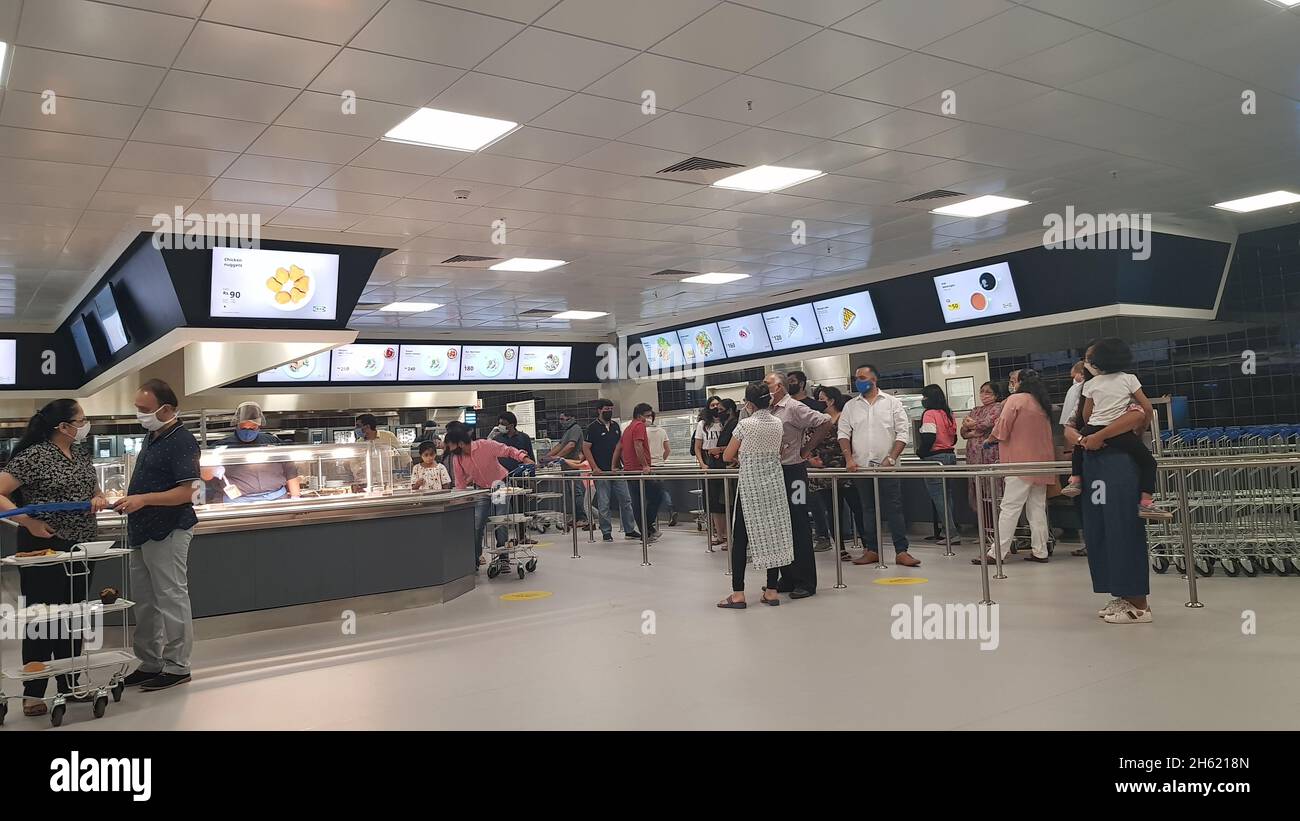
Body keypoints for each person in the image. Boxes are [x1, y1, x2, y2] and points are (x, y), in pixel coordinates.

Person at [0, 399, 109, 716]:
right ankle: (33, 692)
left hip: (82, 546)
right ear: (63, 426)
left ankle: (69, 684)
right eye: (81, 419)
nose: (85, 424)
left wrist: (98, 498)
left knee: (73, 616)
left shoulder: (80, 453)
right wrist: (28, 521)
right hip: (43, 546)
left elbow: (93, 489)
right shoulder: (33, 456)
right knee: (41, 619)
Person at [113, 379, 200, 691]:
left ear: (168, 409)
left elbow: (187, 492)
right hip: (142, 530)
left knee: (171, 597)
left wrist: (144, 499)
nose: (140, 415)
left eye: (145, 410)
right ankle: (150, 661)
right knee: (146, 600)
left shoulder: (182, 441)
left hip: (168, 529)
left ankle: (178, 666)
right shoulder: (152, 436)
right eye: (138, 409)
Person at [1060, 339, 1169, 520]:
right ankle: (1146, 502)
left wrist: (1091, 431)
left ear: (1096, 361)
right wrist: (1140, 429)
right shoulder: (1129, 379)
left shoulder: (1090, 384)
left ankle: (1075, 480)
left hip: (1092, 429)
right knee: (1149, 462)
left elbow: (1087, 414)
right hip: (1120, 435)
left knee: (1079, 448)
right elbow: (1146, 408)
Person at [1065, 403, 1153, 623]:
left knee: (1122, 529)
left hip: (1118, 463)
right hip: (1093, 468)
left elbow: (1139, 416)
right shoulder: (1088, 392)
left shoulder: (1123, 387)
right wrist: (1082, 440)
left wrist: (1099, 435)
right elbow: (1070, 427)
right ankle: (1122, 595)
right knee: (1100, 532)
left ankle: (1139, 604)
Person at [717, 382, 792, 609]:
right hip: (774, 486)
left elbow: (728, 455)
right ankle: (771, 591)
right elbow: (779, 451)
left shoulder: (744, 425)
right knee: (774, 536)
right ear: (768, 400)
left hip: (750, 488)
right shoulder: (778, 423)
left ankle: (738, 594)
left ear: (748, 403)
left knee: (740, 539)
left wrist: (744, 458)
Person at [839, 365, 922, 568]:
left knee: (894, 508)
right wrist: (849, 459)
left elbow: (903, 433)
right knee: (868, 509)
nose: (858, 380)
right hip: (862, 468)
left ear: (874, 379)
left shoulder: (892, 403)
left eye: (862, 377)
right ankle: (872, 550)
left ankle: (901, 551)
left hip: (888, 467)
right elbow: (843, 434)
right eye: (856, 377)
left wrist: (891, 458)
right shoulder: (851, 406)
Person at [976, 369, 1056, 564]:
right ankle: (1040, 550)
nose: (1011, 384)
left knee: (1010, 507)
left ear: (1021, 382)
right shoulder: (1041, 402)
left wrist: (990, 439)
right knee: (1037, 508)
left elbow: (1002, 426)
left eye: (1013, 380)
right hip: (1042, 462)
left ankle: (996, 553)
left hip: (1020, 461)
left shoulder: (1016, 400)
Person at [766, 372, 834, 598]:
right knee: (779, 526)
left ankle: (806, 581)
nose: (764, 387)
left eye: (768, 383)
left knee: (799, 524)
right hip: (774, 473)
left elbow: (825, 421)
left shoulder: (793, 407)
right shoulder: (767, 410)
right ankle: (787, 577)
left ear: (780, 387)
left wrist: (806, 450)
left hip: (795, 472)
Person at [444, 428, 533, 566]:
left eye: (450, 445)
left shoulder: (486, 445)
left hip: (499, 484)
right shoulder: (458, 458)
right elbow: (460, 482)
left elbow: (508, 450)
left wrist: (524, 458)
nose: (449, 449)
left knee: (501, 519)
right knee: (477, 522)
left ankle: (503, 557)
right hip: (481, 489)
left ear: (460, 443)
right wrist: (460, 500)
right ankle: (475, 558)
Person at [200, 402, 300, 504]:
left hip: (276, 499)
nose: (248, 431)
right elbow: (205, 477)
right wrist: (211, 468)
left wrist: (295, 498)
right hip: (237, 502)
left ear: (259, 426)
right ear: (237, 424)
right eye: (244, 428)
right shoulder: (221, 447)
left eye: (252, 428)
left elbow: (290, 472)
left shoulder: (273, 443)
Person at [810, 386, 866, 563]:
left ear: (831, 400)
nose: (819, 402)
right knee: (833, 510)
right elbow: (807, 442)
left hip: (846, 469)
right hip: (825, 472)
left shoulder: (844, 417)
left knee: (858, 507)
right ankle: (840, 547)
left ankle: (868, 544)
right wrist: (811, 460)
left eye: (822, 398)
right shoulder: (816, 421)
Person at [960, 381, 1007, 553]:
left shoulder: (998, 408)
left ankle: (999, 534)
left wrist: (974, 427)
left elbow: (989, 425)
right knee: (978, 494)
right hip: (974, 458)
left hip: (990, 456)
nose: (984, 395)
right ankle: (986, 531)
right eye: (982, 392)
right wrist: (972, 428)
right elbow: (963, 431)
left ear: (996, 394)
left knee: (994, 494)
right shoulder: (975, 410)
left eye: (988, 392)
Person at [582, 399, 639, 542]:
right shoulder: (592, 428)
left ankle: (629, 529)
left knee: (626, 500)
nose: (609, 411)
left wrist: (623, 464)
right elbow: (586, 448)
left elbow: (619, 447)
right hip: (601, 471)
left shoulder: (615, 426)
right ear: (599, 410)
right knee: (604, 502)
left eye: (611, 409)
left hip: (617, 470)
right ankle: (606, 531)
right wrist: (594, 467)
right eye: (606, 409)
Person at [917, 384, 960, 545]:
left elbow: (929, 437)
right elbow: (954, 438)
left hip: (935, 459)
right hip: (950, 456)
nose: (923, 400)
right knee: (947, 495)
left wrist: (920, 453)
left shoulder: (929, 414)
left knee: (939, 497)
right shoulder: (948, 414)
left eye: (924, 397)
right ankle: (949, 529)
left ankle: (951, 533)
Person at [616, 403, 661, 541]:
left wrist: (614, 465)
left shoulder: (628, 428)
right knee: (657, 495)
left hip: (630, 469)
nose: (649, 418)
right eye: (647, 415)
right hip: (638, 469)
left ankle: (646, 531)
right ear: (640, 415)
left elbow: (619, 447)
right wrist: (645, 465)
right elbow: (638, 446)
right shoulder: (639, 426)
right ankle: (647, 528)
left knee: (638, 501)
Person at [543, 411, 587, 527]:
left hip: (573, 466)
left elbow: (570, 446)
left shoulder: (575, 429)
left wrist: (557, 457)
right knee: (572, 493)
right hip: (566, 467)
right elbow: (560, 445)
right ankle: (577, 517)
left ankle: (582, 518)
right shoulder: (568, 431)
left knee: (577, 493)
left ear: (571, 418)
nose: (560, 422)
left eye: (563, 419)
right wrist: (547, 457)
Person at [694, 397, 726, 547]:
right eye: (712, 405)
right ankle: (718, 533)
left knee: (724, 499)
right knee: (712, 501)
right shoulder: (702, 424)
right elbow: (697, 447)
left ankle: (726, 533)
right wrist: (702, 464)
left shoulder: (725, 423)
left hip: (723, 461)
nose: (715, 407)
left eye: (717, 405)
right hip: (709, 461)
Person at [644, 411, 676, 526]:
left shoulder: (644, 432)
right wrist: (661, 460)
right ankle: (671, 508)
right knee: (661, 489)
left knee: (651, 494)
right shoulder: (662, 431)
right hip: (660, 466)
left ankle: (651, 519)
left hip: (648, 466)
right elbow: (667, 449)